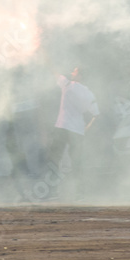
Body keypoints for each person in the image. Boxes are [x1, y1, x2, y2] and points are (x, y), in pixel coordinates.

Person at [47, 66, 99, 198]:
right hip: (77, 131)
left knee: (54, 159)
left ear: (80, 76)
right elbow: (96, 115)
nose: (71, 73)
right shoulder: (89, 93)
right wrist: (86, 129)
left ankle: (52, 191)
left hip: (63, 127)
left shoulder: (68, 84)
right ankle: (79, 193)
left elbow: (53, 71)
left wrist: (42, 51)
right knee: (77, 162)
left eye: (74, 71)